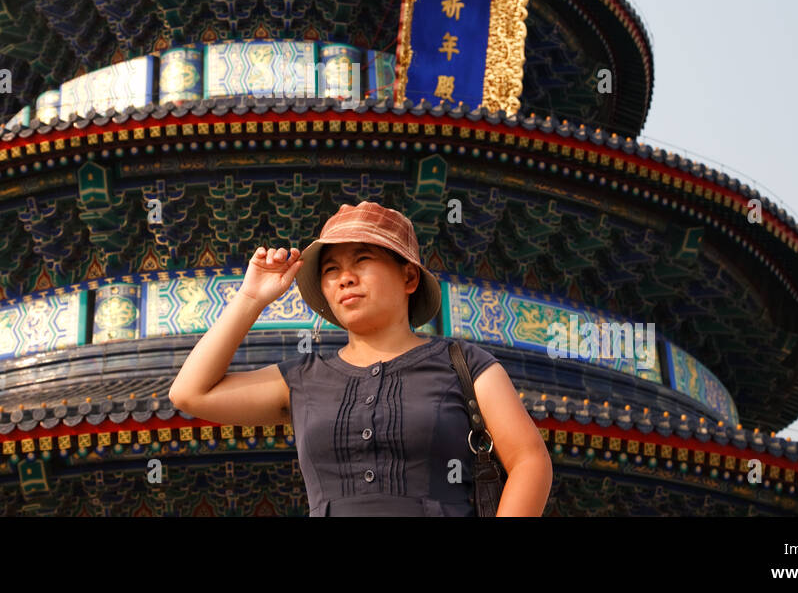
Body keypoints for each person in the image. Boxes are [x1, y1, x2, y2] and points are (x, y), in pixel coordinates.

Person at [168, 201, 553, 516]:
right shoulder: (303, 378)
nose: (344, 278)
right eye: (331, 269)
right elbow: (190, 393)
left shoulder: (465, 364)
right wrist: (251, 298)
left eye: (362, 260)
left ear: (409, 278)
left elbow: (529, 460)